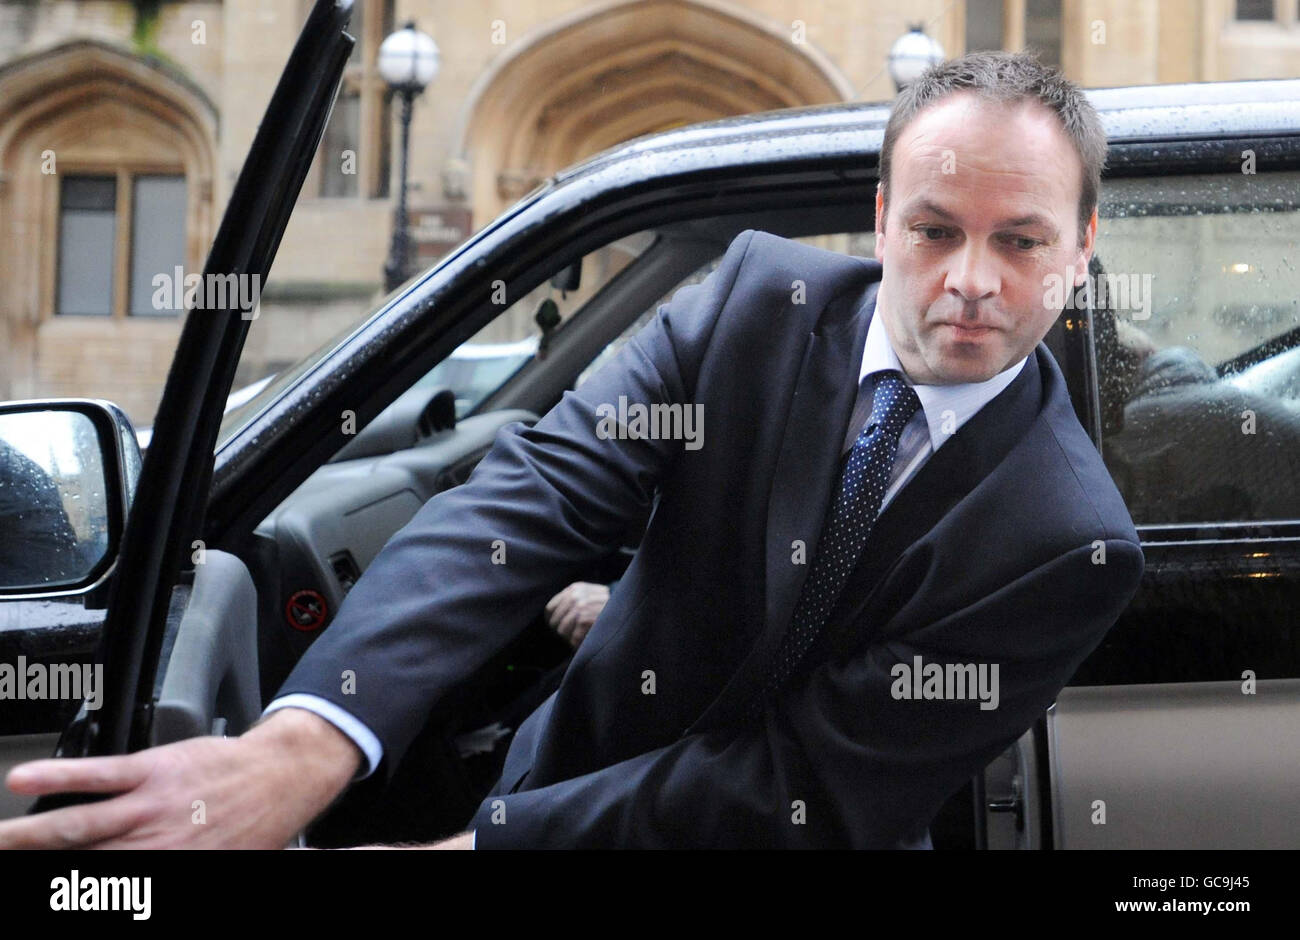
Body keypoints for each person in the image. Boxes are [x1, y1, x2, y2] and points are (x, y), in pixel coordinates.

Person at [0, 50, 1145, 849]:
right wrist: (301, 747)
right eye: (935, 230)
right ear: (882, 208)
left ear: (1083, 246)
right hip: (560, 773)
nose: (970, 283)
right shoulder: (754, 300)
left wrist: (469, 851)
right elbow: (532, 496)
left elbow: (794, 785)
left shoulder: (1065, 535)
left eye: (1022, 241)